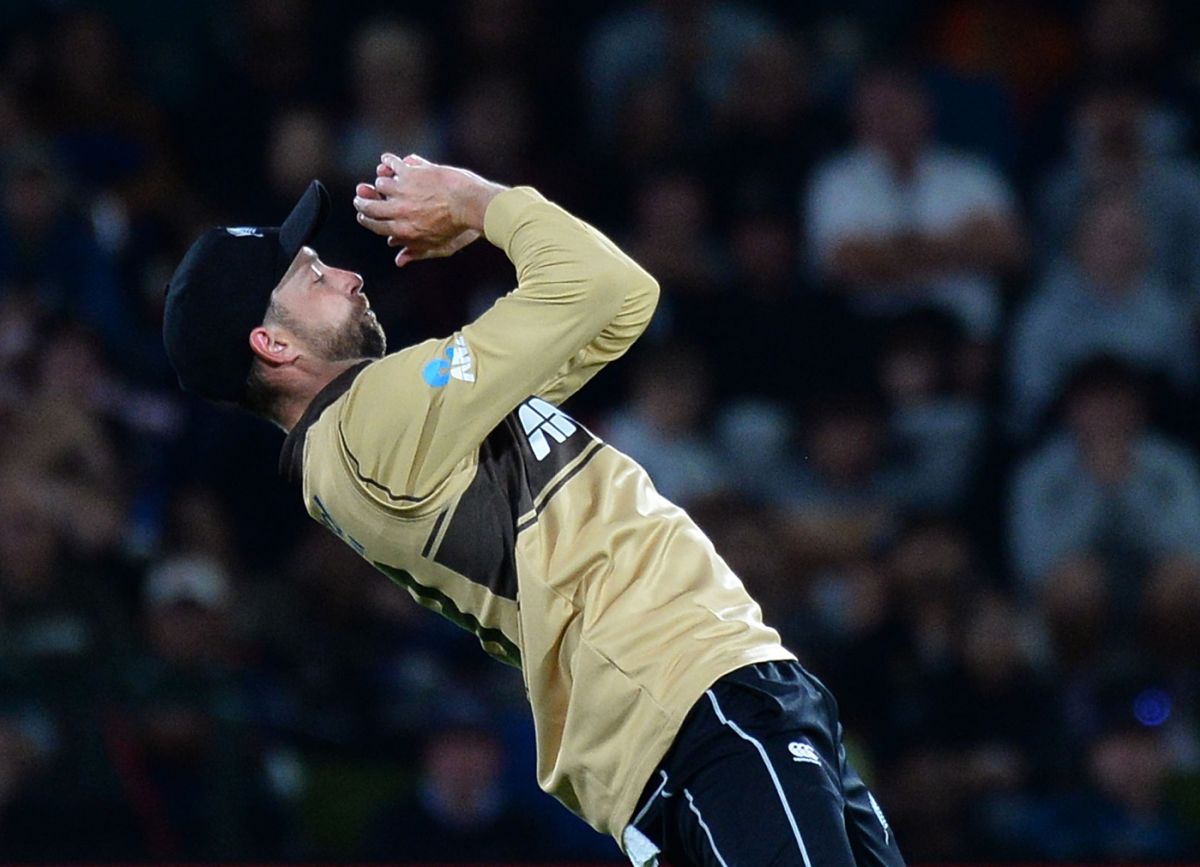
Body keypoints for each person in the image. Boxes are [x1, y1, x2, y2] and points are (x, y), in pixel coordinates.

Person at [162, 153, 905, 867]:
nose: (351, 275)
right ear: (272, 342)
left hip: (694, 701)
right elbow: (598, 284)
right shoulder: (369, 424)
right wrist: (474, 200)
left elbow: (625, 301)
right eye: (314, 276)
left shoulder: (394, 427)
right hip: (686, 701)